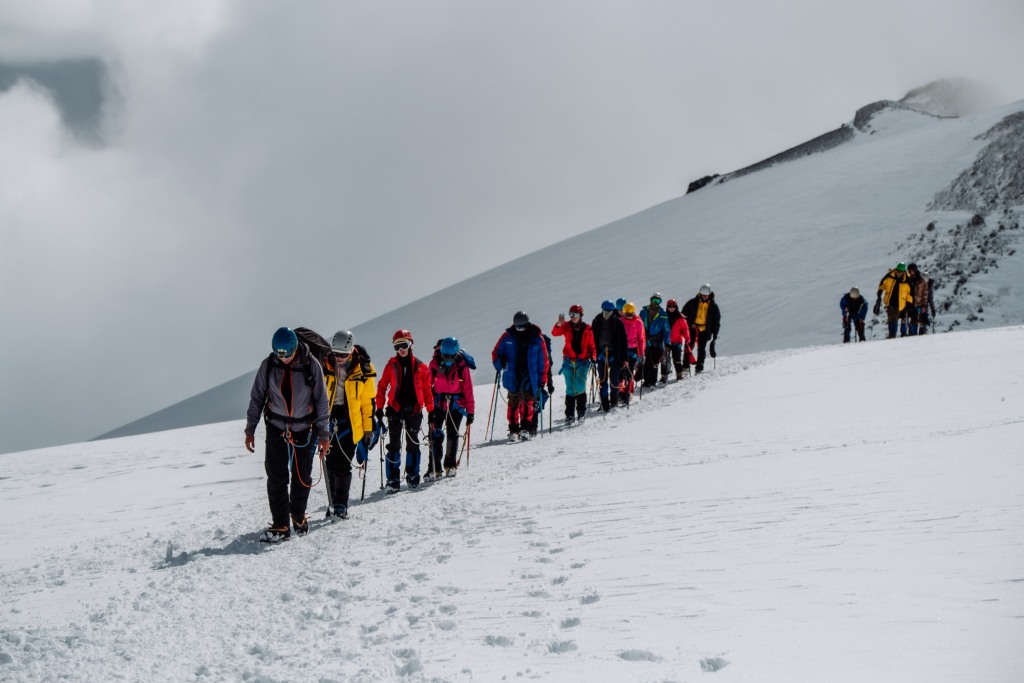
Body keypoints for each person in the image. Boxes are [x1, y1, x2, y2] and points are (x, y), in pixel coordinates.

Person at [245, 327, 330, 543]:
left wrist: (324, 435)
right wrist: (250, 429)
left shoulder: (311, 365)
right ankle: (281, 524)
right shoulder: (268, 365)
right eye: (278, 353)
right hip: (276, 426)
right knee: (276, 476)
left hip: (305, 428)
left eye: (287, 354)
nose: (282, 358)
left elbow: (321, 401)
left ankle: (298, 515)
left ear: (295, 348)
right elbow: (257, 397)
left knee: (302, 476)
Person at [322, 329, 376, 519]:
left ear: (352, 350)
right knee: (330, 463)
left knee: (342, 464)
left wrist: (369, 428)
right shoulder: (324, 365)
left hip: (350, 422)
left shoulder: (364, 369)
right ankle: (332, 502)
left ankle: (340, 505)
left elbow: (368, 402)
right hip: (328, 421)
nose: (339, 358)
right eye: (336, 353)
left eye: (343, 354)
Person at [375, 329, 434, 493]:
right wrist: (379, 408)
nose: (401, 349)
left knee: (413, 443)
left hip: (414, 409)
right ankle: (393, 480)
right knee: (394, 444)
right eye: (397, 346)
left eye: (404, 344)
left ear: (411, 344)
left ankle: (413, 475)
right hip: (395, 409)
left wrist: (431, 410)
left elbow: (427, 390)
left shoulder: (422, 367)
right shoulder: (390, 365)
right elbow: (381, 387)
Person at [492, 311, 551, 441]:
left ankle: (525, 428)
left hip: (531, 375)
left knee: (527, 401)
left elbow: (544, 361)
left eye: (522, 327)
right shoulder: (507, 337)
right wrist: (499, 362)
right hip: (512, 374)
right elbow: (496, 352)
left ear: (527, 324)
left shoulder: (537, 338)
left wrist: (543, 380)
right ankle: (513, 430)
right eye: (518, 327)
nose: (520, 329)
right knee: (513, 402)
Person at [428, 337, 475, 478]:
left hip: (456, 405)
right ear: (441, 352)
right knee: (435, 435)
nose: (448, 358)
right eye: (446, 355)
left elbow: (468, 389)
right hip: (438, 403)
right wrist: (429, 407)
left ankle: (450, 465)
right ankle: (433, 468)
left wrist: (471, 411)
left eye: (451, 356)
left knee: (452, 434)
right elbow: (426, 387)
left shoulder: (462, 366)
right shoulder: (434, 364)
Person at [551, 304, 596, 425]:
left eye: (575, 315)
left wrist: (594, 357)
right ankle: (569, 416)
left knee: (580, 386)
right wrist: (559, 324)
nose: (572, 317)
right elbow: (555, 333)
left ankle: (581, 413)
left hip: (583, 361)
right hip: (568, 361)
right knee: (570, 388)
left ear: (580, 315)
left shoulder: (588, 329)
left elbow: (592, 346)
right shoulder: (566, 326)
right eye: (570, 315)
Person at [591, 300, 629, 412]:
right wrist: (593, 354)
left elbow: (624, 342)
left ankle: (614, 402)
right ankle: (605, 404)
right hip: (601, 355)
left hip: (615, 355)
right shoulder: (597, 321)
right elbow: (592, 339)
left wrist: (625, 358)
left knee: (614, 379)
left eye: (609, 311)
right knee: (602, 380)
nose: (607, 313)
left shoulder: (618, 322)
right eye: (605, 311)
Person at [682, 284, 722, 373]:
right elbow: (683, 314)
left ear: (709, 295)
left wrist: (715, 333)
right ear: (700, 293)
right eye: (703, 295)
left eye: (706, 295)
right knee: (688, 347)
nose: (704, 297)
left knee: (701, 348)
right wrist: (686, 325)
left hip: (704, 330)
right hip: (692, 328)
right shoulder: (692, 302)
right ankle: (685, 366)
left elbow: (716, 321)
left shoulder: (713, 306)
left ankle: (699, 366)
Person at [874, 263, 913, 339]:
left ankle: (893, 334)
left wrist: (909, 302)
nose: (898, 273)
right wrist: (880, 291)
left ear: (903, 272)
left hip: (900, 303)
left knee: (894, 318)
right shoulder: (889, 277)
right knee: (890, 318)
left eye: (900, 272)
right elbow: (883, 285)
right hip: (889, 301)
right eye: (897, 271)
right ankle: (891, 333)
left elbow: (910, 293)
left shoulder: (907, 281)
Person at [639, 293, 671, 387]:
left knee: (654, 362)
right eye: (654, 300)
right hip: (645, 341)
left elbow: (666, 329)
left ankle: (652, 381)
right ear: (651, 300)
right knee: (646, 361)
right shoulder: (643, 312)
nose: (655, 303)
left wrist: (667, 342)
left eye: (658, 301)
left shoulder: (663, 315)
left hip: (657, 342)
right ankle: (646, 380)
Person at [619, 302, 645, 405]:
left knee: (629, 373)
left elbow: (641, 338)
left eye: (630, 313)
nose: (628, 316)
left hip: (633, 350)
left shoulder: (638, 323)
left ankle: (628, 392)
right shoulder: (620, 321)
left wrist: (642, 353)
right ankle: (621, 392)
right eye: (627, 313)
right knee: (621, 373)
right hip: (622, 350)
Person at [664, 299, 694, 380]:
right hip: (666, 341)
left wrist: (687, 338)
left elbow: (685, 329)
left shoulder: (680, 317)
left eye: (673, 306)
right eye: (670, 306)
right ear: (667, 307)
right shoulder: (664, 316)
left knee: (676, 358)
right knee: (664, 359)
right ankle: (664, 376)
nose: (671, 308)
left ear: (676, 307)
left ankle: (679, 374)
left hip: (676, 341)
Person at [906, 263, 933, 335]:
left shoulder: (921, 281)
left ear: (915, 270)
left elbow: (925, 293)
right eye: (909, 271)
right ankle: (912, 334)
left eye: (911, 271)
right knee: (913, 320)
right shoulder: (908, 280)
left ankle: (921, 335)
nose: (909, 272)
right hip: (910, 303)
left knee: (921, 320)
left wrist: (924, 304)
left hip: (919, 303)